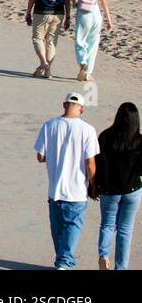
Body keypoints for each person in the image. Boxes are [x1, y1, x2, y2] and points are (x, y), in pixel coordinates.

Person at [35, 92, 99, 269]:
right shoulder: (88, 130)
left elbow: (40, 156)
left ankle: (62, 261)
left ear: (64, 105)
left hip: (55, 190)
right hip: (77, 190)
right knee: (72, 227)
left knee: (58, 230)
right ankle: (64, 263)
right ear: (82, 109)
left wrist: (57, 157)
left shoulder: (49, 126)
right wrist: (94, 185)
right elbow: (90, 162)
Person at [93, 102, 142, 270]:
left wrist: (94, 186)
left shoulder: (105, 136)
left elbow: (97, 163)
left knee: (107, 225)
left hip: (109, 189)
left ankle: (103, 256)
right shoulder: (139, 140)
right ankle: (121, 268)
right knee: (125, 230)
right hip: (132, 190)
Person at [26, 0, 69, 79]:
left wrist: (28, 11)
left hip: (41, 11)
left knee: (37, 38)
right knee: (51, 41)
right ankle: (47, 71)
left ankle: (44, 63)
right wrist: (68, 16)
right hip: (58, 12)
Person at [69, 0, 111, 83]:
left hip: (84, 14)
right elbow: (104, 3)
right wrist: (109, 20)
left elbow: (75, 0)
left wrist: (77, 4)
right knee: (93, 43)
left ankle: (82, 62)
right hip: (96, 13)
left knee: (80, 40)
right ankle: (88, 73)